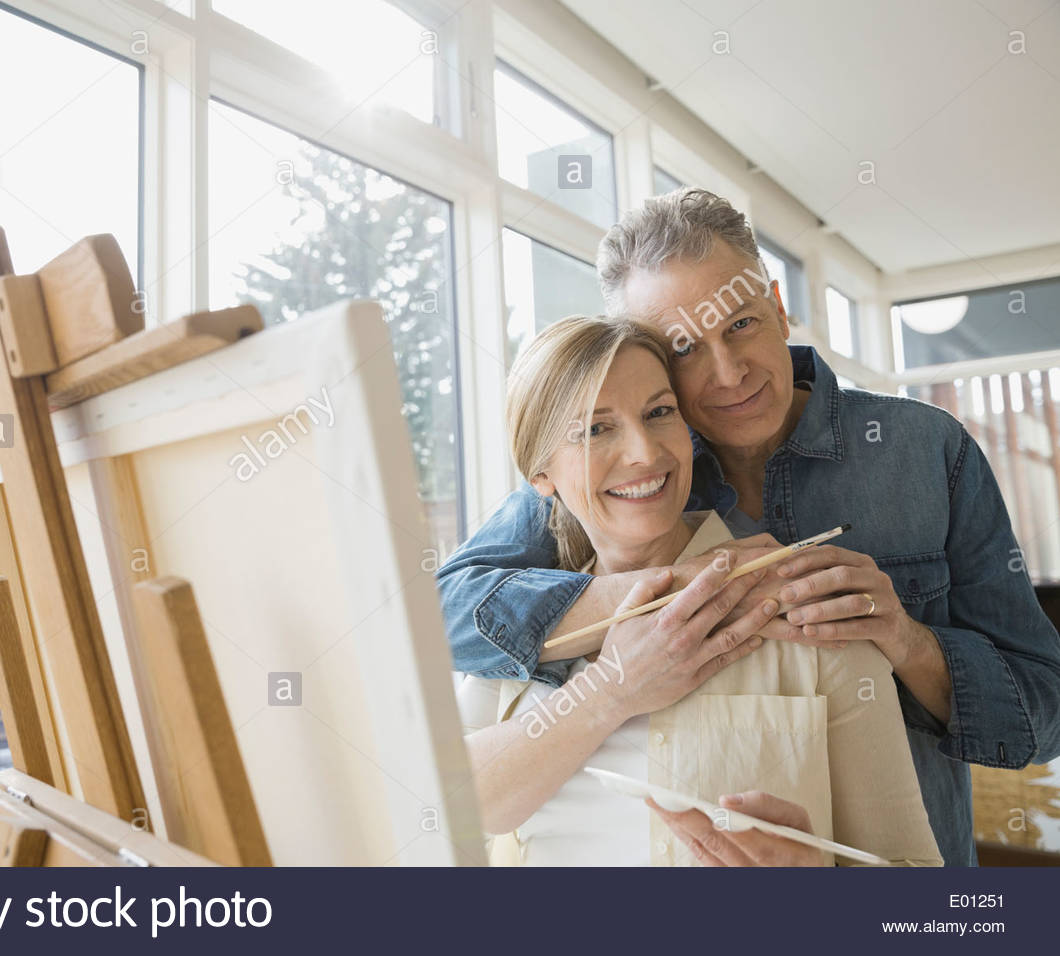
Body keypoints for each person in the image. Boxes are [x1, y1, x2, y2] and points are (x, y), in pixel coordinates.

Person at [438, 188, 1060, 866]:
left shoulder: (926, 449)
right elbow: (443, 610)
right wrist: (673, 594)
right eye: (682, 348)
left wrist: (905, 641)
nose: (729, 373)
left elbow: (1045, 715)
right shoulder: (625, 474)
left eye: (740, 324)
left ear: (778, 304)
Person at [458, 315, 941, 866]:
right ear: (539, 473)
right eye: (595, 428)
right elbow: (442, 809)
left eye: (659, 413)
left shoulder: (801, 607)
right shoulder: (513, 635)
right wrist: (612, 692)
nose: (644, 452)